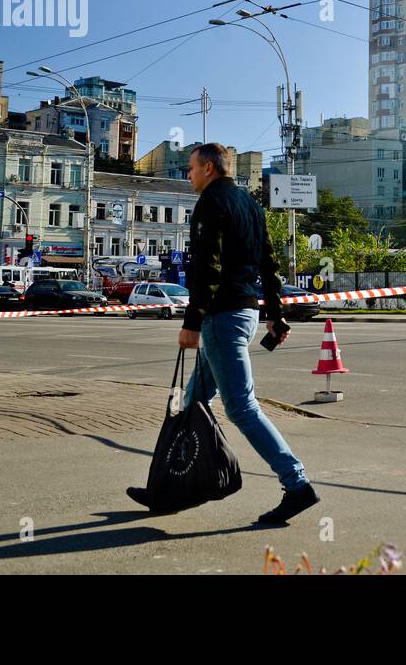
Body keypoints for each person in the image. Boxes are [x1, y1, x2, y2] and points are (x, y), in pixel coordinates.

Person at [127, 143, 319, 525]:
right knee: (195, 401)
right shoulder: (250, 204)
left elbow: (208, 270)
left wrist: (192, 321)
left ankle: (297, 485)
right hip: (244, 311)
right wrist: (275, 315)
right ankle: (170, 486)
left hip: (221, 317)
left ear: (211, 168)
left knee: (242, 408)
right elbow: (269, 263)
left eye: (193, 168)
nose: (189, 175)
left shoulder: (211, 203)